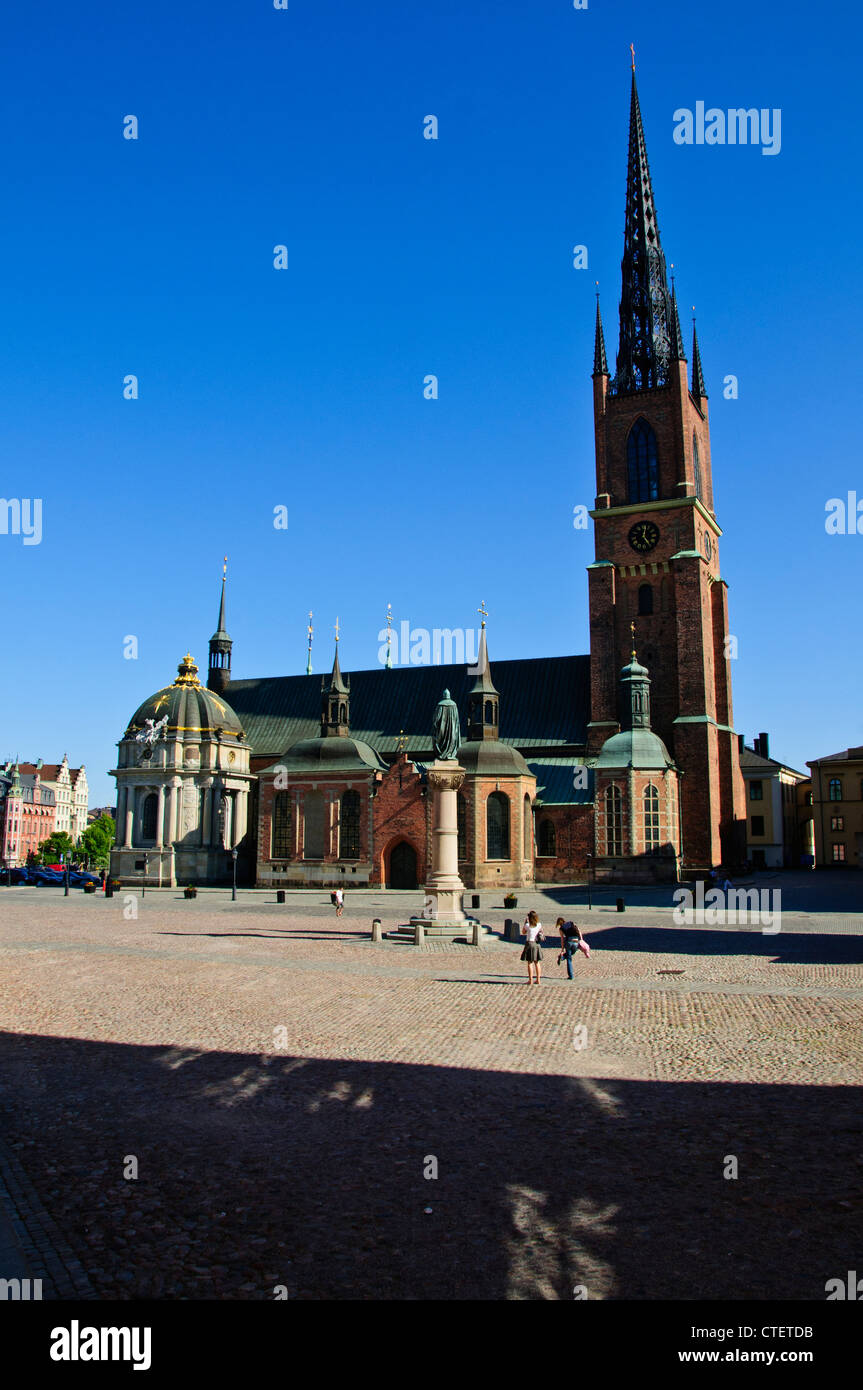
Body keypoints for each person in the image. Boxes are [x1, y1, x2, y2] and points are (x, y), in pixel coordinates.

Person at [520, 910, 544, 985]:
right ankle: (538, 979)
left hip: (529, 943)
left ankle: (530, 980)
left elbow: (523, 932)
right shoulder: (539, 924)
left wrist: (525, 922)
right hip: (537, 944)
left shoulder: (527, 925)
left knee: (530, 962)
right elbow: (541, 931)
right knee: (537, 962)